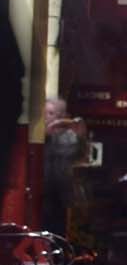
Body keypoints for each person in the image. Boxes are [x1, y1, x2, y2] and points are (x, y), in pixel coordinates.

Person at [42, 98, 86, 237]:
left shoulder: (66, 137)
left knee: (56, 234)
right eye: (48, 113)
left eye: (52, 114)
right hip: (38, 192)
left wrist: (80, 136)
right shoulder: (34, 133)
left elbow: (78, 153)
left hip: (58, 196)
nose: (49, 118)